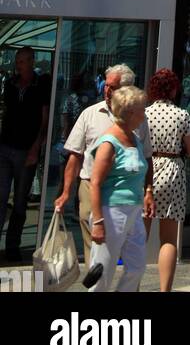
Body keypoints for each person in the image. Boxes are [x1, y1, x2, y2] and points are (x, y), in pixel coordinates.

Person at [55, 62, 154, 259]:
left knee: (130, 257)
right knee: (95, 249)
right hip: (91, 187)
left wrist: (148, 191)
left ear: (126, 90)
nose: (107, 90)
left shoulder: (138, 120)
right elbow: (75, 155)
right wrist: (66, 192)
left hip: (126, 194)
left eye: (113, 87)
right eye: (106, 85)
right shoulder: (90, 114)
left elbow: (147, 158)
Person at [86, 86, 153, 292]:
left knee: (137, 266)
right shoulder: (109, 142)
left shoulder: (134, 138)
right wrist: (98, 222)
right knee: (103, 270)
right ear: (130, 112)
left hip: (133, 210)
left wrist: (148, 193)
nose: (145, 113)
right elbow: (95, 183)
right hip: (111, 211)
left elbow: (143, 169)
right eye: (142, 109)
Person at [144, 68, 190, 292]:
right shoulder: (181, 115)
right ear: (174, 89)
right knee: (168, 238)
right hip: (172, 171)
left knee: (140, 234)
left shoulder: (143, 114)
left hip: (147, 171)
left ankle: (132, 285)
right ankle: (164, 290)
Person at [0, 47, 51, 262]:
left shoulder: (41, 85)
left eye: (22, 61)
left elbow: (45, 118)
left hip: (26, 150)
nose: (18, 65)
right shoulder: (10, 84)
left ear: (32, 61)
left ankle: (13, 246)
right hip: (5, 147)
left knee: (20, 201)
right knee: (1, 199)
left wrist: (36, 147)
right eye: (17, 61)